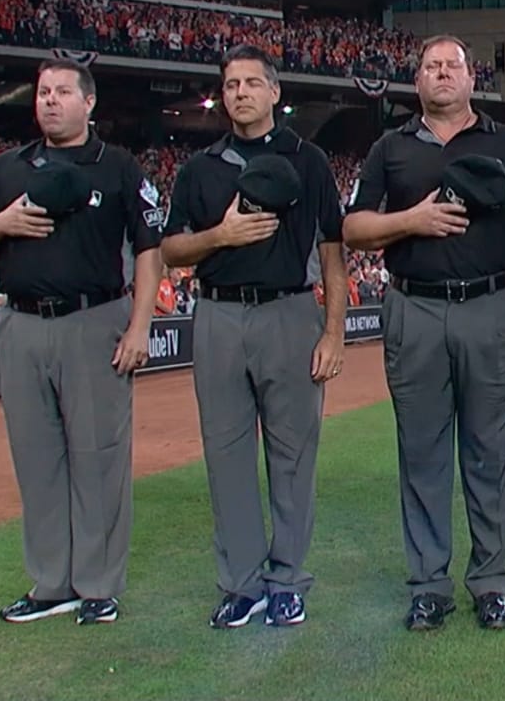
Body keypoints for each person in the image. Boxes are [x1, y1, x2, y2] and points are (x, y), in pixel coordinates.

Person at [344, 34, 505, 632]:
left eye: (452, 65)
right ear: (417, 81)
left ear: (472, 79)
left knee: (494, 454)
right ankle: (429, 586)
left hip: (494, 305)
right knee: (422, 452)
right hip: (414, 308)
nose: (442, 73)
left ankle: (491, 583)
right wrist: (410, 220)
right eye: (431, 66)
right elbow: (355, 228)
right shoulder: (390, 147)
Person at [0, 58, 162, 625]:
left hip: (93, 320)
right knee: (37, 460)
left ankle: (97, 585)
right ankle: (51, 584)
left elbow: (150, 247)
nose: (50, 100)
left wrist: (140, 326)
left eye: (62, 92)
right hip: (21, 323)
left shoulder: (117, 165)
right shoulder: (7, 168)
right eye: (43, 92)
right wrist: (3, 223)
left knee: (98, 458)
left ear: (88, 102)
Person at [161, 45, 347, 630]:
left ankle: (287, 580)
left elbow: (333, 250)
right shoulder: (200, 168)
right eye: (231, 85)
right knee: (226, 456)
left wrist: (334, 331)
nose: (240, 92)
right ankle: (241, 586)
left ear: (274, 92)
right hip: (218, 313)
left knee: (293, 456)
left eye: (251, 83)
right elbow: (172, 249)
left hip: (290, 311)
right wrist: (220, 235)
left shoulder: (308, 160)